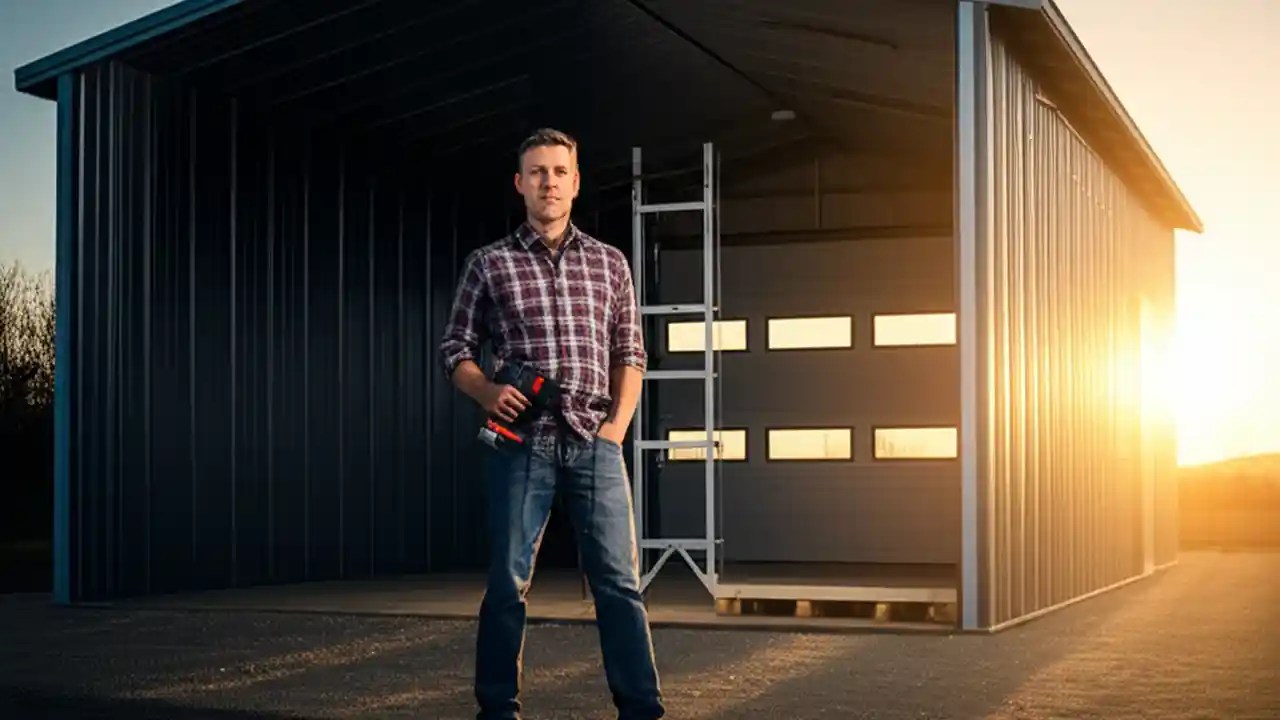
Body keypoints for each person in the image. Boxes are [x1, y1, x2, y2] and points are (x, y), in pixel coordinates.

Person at [438, 128, 665, 720]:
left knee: (619, 583)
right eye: (537, 172)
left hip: (595, 442)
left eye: (560, 171)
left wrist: (616, 429)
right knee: (508, 582)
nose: (549, 182)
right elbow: (455, 349)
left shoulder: (610, 263)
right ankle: (497, 710)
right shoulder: (489, 263)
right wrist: (487, 391)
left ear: (576, 181)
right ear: (520, 184)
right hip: (521, 446)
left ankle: (642, 709)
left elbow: (630, 352)